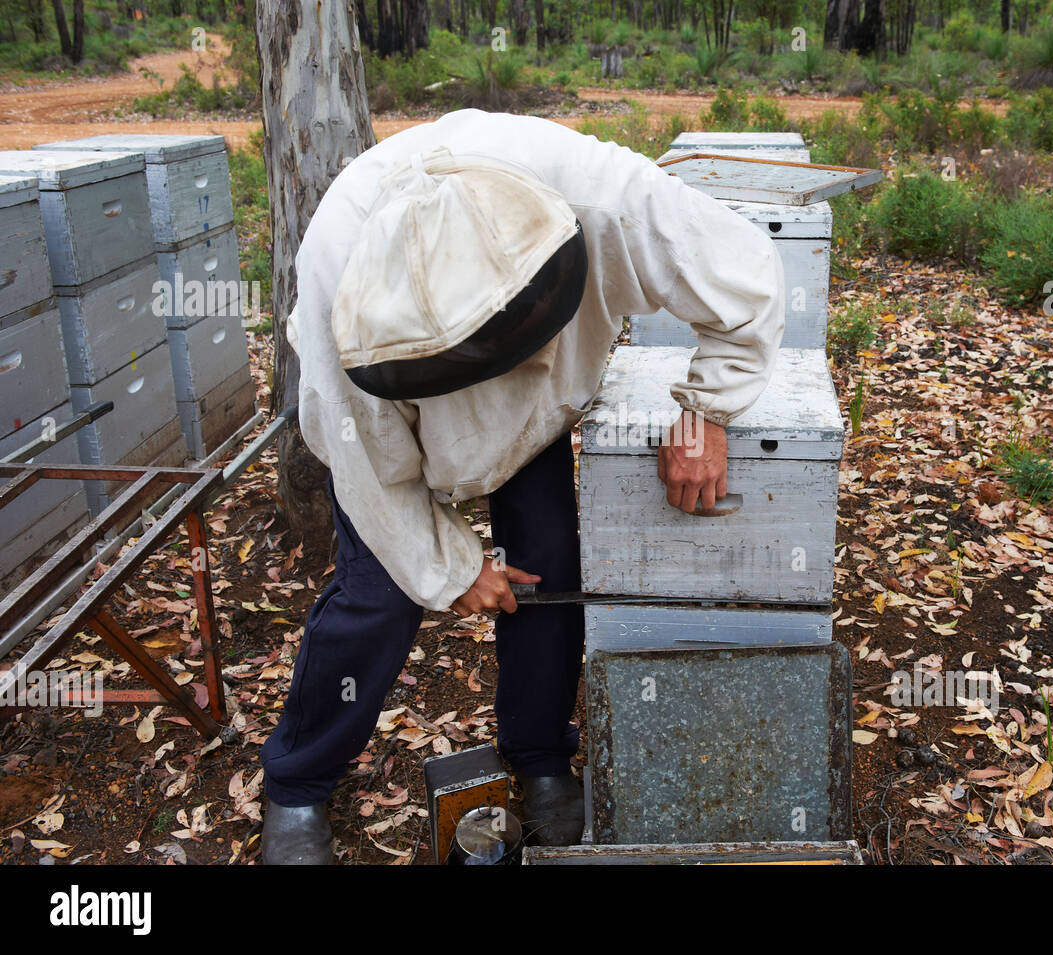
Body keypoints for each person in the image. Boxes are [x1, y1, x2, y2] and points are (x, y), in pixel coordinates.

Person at [259, 108, 785, 863]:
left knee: (545, 563)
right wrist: (451, 565)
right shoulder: (342, 282)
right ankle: (298, 779)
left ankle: (540, 754)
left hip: (540, 417)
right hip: (390, 432)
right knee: (378, 594)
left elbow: (743, 270)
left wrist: (707, 411)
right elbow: (371, 474)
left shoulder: (612, 199)